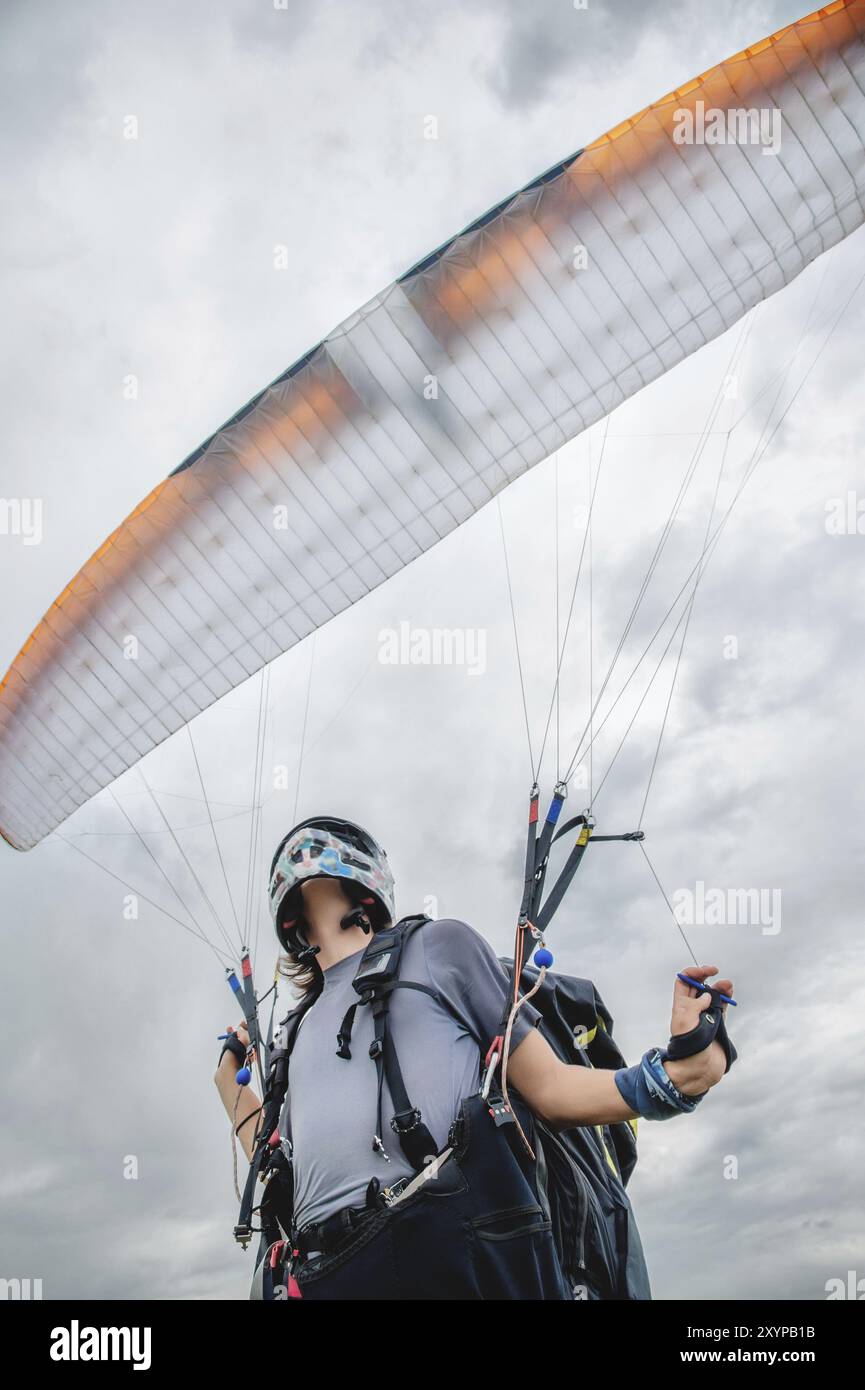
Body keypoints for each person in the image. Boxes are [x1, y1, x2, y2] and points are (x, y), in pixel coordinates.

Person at [215, 816, 734, 1300]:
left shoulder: (440, 947)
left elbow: (550, 1090)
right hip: (330, 1275)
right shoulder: (294, 1032)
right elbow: (280, 1167)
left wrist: (672, 1078)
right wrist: (227, 1082)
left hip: (447, 1255)